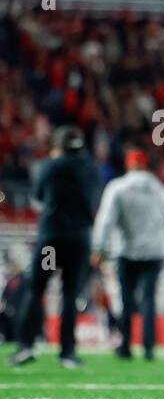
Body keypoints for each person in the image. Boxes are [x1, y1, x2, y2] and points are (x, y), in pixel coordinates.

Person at [10, 127, 100, 368]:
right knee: (70, 294)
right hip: (79, 239)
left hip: (53, 239)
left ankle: (26, 345)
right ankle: (67, 352)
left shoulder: (49, 166)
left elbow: (38, 197)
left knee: (36, 288)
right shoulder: (90, 167)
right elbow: (94, 199)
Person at [90, 148, 164, 360]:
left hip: (126, 250)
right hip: (154, 251)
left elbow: (105, 220)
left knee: (126, 299)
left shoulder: (118, 187)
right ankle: (149, 347)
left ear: (129, 165)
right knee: (149, 299)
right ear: (145, 165)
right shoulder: (159, 189)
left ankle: (126, 345)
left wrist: (99, 248)